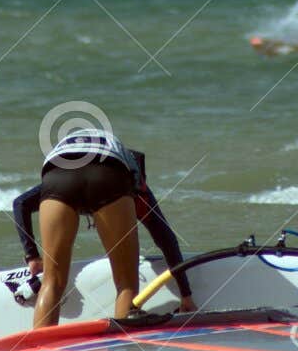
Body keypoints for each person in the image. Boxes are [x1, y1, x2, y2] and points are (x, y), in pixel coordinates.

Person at [23, 128, 193, 329]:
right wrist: (186, 295)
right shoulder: (137, 182)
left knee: (52, 283)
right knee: (126, 284)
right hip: (109, 173)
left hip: (57, 172)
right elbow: (166, 238)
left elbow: (20, 204)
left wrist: (32, 256)